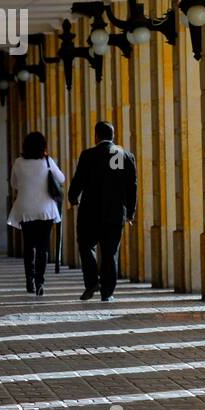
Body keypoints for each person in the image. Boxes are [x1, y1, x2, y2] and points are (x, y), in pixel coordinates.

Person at [68, 121, 137, 302]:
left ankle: (91, 283)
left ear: (96, 136)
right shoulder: (124, 155)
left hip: (89, 213)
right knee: (109, 253)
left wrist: (72, 197)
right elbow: (132, 187)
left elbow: (79, 180)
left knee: (86, 246)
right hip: (114, 214)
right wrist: (130, 212)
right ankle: (107, 293)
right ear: (113, 136)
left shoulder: (88, 155)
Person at [7, 131, 65, 296]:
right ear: (43, 146)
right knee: (42, 247)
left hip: (26, 209)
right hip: (46, 210)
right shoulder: (47, 161)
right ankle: (40, 281)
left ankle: (29, 281)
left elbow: (14, 184)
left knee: (28, 246)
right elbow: (61, 179)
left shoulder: (18, 162)